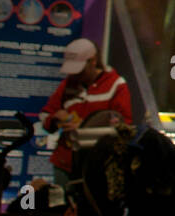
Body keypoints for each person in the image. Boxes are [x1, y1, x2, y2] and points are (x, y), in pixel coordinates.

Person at [38, 40, 132, 192]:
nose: (76, 75)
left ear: (93, 61)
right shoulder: (67, 84)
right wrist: (55, 119)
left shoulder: (117, 85)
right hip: (65, 162)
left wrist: (84, 127)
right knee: (65, 210)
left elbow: (123, 127)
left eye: (80, 70)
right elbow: (45, 115)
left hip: (98, 165)